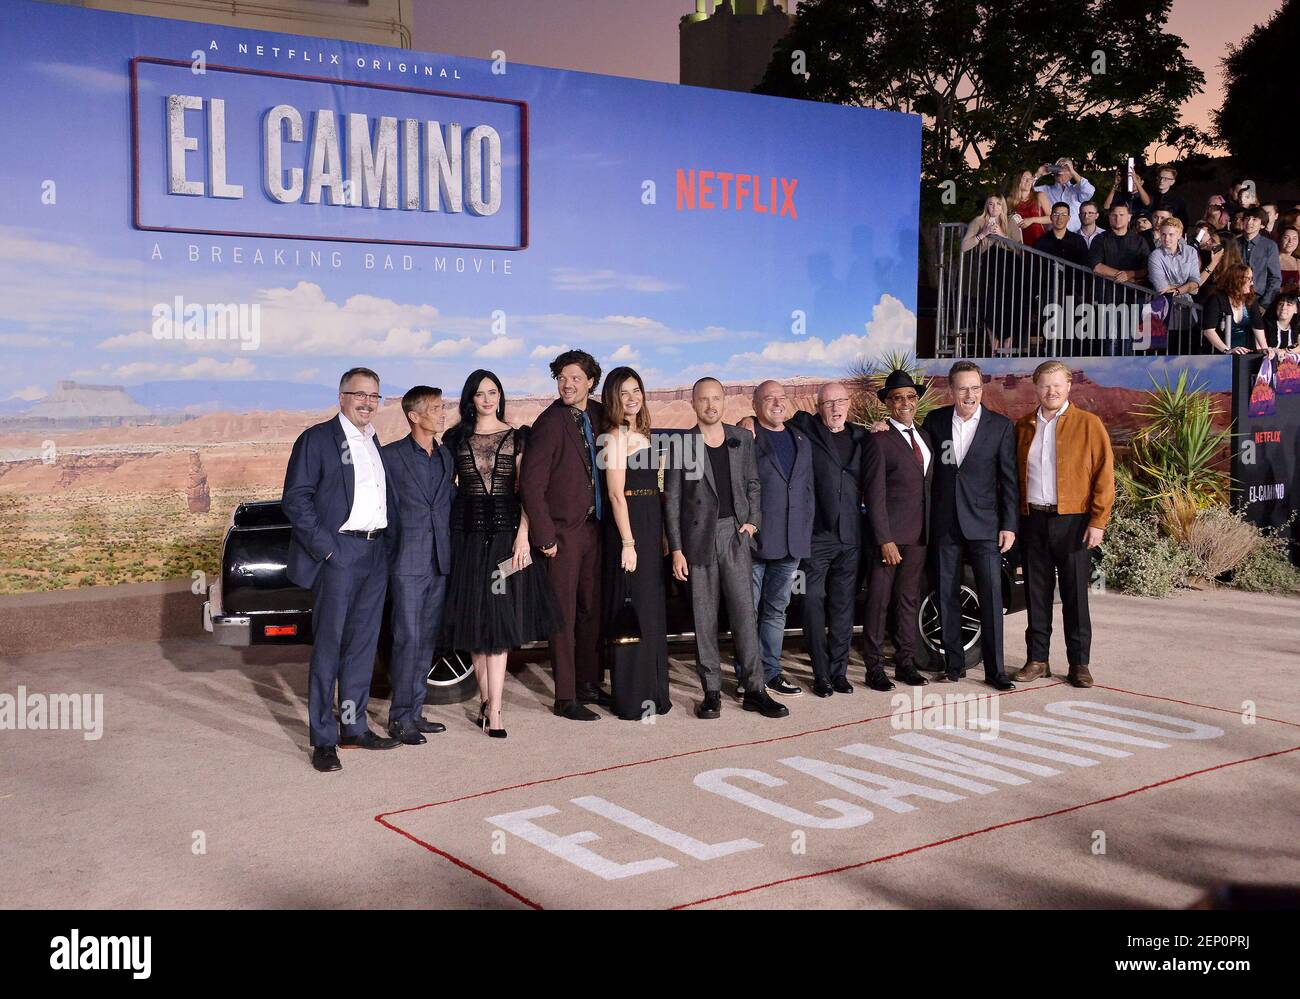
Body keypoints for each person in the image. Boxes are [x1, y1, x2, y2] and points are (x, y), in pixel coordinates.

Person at [282, 367, 402, 772]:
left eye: (374, 396)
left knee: (362, 647)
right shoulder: (317, 439)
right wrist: (328, 550)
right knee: (330, 648)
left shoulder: (373, 440)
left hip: (373, 554)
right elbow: (296, 499)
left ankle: (353, 727)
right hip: (339, 555)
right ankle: (323, 739)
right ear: (342, 397)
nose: (367, 402)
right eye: (359, 394)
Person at [441, 370, 561, 739]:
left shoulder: (518, 436)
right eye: (480, 394)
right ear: (470, 399)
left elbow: (529, 490)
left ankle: (495, 710)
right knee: (477, 625)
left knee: (499, 622)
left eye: (493, 392)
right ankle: (485, 701)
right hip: (467, 538)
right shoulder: (455, 438)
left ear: (500, 396)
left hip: (508, 539)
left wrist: (524, 537)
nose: (488, 399)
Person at [664, 377, 788, 720]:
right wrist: (676, 550)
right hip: (697, 542)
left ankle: (754, 689)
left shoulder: (741, 437)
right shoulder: (681, 444)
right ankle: (712, 691)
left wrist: (753, 523)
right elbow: (672, 501)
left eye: (715, 398)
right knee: (704, 619)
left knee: (744, 616)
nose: (710, 405)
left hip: (735, 536)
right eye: (703, 399)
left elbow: (753, 483)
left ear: (724, 401)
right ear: (693, 403)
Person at [1012, 362, 1114, 689]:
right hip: (1033, 520)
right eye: (1044, 386)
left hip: (1074, 521)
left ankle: (1079, 664)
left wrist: (1098, 521)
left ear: (1069, 386)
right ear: (1035, 388)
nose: (1051, 391)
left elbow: (1104, 476)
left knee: (1074, 596)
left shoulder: (1089, 424)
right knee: (1036, 595)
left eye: (1057, 385)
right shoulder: (1023, 426)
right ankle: (1037, 659)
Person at [520, 349, 608, 721]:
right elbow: (531, 484)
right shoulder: (550, 422)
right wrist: (545, 536)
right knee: (564, 616)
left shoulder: (600, 415)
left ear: (590, 382)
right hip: (562, 535)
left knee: (592, 612)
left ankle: (589, 683)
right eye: (561, 378)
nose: (567, 384)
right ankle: (566, 697)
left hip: (596, 530)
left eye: (575, 377)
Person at [921, 361, 1018, 689]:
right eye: (963, 388)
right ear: (951, 390)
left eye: (975, 388)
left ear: (982, 389)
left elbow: (1009, 480)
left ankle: (996, 671)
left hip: (985, 525)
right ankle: (953, 665)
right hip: (945, 524)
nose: (969, 394)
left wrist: (1009, 525)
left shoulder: (1000, 427)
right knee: (945, 593)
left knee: (991, 597)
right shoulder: (934, 421)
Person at [787, 382, 875, 695]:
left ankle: (839, 673)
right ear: (819, 407)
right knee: (812, 602)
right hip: (816, 535)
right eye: (828, 404)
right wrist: (747, 423)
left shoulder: (861, 437)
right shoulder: (806, 427)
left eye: (840, 402)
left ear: (849, 404)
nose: (836, 409)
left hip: (851, 536)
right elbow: (772, 421)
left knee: (843, 606)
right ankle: (820, 674)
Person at [378, 386, 453, 745]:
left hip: (439, 560)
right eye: (436, 409)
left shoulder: (446, 456)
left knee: (426, 640)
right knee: (406, 639)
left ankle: (416, 713)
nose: (442, 414)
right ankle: (399, 717)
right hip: (405, 560)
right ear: (414, 416)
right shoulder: (390, 456)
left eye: (442, 407)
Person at [599, 366, 671, 720]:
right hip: (628, 529)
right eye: (624, 392)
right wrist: (629, 542)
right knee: (633, 610)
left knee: (652, 610)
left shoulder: (644, 433)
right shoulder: (613, 437)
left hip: (649, 522)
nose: (632, 397)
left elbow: (656, 488)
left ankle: (655, 694)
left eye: (637, 390)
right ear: (613, 397)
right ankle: (631, 700)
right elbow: (615, 495)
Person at [739, 380, 814, 697]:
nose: (777, 403)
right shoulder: (746, 436)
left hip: (791, 542)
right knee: (748, 613)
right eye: (768, 398)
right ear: (755, 406)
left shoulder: (801, 438)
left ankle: (771, 672)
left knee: (776, 612)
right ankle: (747, 677)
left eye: (781, 398)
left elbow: (806, 488)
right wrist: (746, 424)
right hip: (755, 543)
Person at [861, 370, 933, 689]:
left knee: (908, 600)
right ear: (888, 404)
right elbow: (873, 495)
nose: (905, 403)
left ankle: (905, 662)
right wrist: (884, 539)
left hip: (919, 535)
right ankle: (874, 667)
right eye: (898, 398)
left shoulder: (926, 437)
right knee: (879, 601)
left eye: (910, 397)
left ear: (917, 401)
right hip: (889, 539)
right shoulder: (879, 440)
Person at [961, 193, 1023, 353]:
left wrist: (1003, 236)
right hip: (989, 268)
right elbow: (964, 246)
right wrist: (983, 233)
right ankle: (994, 348)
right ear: (986, 206)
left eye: (998, 204)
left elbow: (1020, 249)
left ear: (1003, 206)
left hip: (1010, 268)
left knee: (1011, 305)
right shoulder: (978, 221)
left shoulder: (1010, 222)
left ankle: (1007, 348)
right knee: (989, 306)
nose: (994, 207)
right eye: (991, 204)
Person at [1088, 203, 1149, 354]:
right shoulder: (1099, 239)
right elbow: (1096, 266)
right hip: (1106, 297)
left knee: (1129, 340)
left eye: (1122, 215)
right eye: (1114, 215)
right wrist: (1121, 275)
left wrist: (1130, 275)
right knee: (1109, 340)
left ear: (1129, 218)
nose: (1118, 218)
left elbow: (1147, 268)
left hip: (1133, 299)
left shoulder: (1140, 241)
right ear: (1109, 218)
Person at [1201, 264, 1266, 355]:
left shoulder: (1250, 299)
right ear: (1237, 280)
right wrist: (1227, 350)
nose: (1252, 283)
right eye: (1249, 279)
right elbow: (1209, 331)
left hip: (1246, 352)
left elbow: (1258, 326)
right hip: (1219, 353)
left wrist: (1265, 350)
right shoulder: (1216, 299)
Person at [1032, 158, 1095, 232]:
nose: (1061, 170)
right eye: (1058, 167)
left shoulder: (1076, 190)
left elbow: (1090, 191)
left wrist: (1073, 172)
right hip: (1053, 237)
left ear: (1071, 174)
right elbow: (1024, 191)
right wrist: (1038, 173)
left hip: (1075, 236)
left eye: (1066, 168)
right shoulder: (1045, 190)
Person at [1239, 207, 1282, 312]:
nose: (1249, 222)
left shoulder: (1269, 246)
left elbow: (1275, 278)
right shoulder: (1234, 243)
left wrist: (1264, 304)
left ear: (1262, 225)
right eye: (1247, 218)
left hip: (1259, 298)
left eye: (1254, 219)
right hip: (1235, 296)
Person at [1008, 169, 1052, 248]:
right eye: (1024, 178)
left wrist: (1032, 220)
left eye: (1030, 178)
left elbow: (1051, 218)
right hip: (1019, 242)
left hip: (1039, 241)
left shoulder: (1039, 196)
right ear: (1018, 180)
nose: (1028, 181)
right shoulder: (1010, 200)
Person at [1037, 201, 1089, 266]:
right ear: (1051, 217)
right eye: (1056, 215)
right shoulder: (1041, 241)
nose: (1060, 218)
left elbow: (1085, 266)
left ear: (1068, 218)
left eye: (1064, 215)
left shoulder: (1078, 241)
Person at [1276, 227, 1299, 292]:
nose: (1290, 241)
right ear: (1279, 239)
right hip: (1272, 300)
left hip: (1292, 300)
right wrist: (1282, 290)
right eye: (1286, 237)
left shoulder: (1298, 262)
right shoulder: (1271, 260)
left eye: (1294, 238)